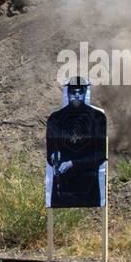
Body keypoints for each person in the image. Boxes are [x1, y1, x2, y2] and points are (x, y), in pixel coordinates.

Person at [45, 76, 107, 208]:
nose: (77, 96)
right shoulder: (56, 119)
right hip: (63, 182)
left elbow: (101, 155)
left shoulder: (97, 118)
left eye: (80, 92)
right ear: (68, 93)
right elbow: (50, 150)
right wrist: (54, 156)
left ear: (86, 93)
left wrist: (74, 164)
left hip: (89, 180)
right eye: (74, 92)